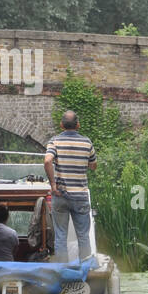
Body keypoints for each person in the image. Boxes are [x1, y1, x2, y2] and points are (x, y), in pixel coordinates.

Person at [44, 110, 96, 262]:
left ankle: (62, 271)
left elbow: (47, 161)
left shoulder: (55, 141)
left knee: (60, 236)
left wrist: (53, 184)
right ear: (78, 125)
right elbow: (93, 166)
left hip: (60, 194)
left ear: (61, 125)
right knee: (83, 236)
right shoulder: (87, 142)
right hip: (80, 195)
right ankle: (86, 270)